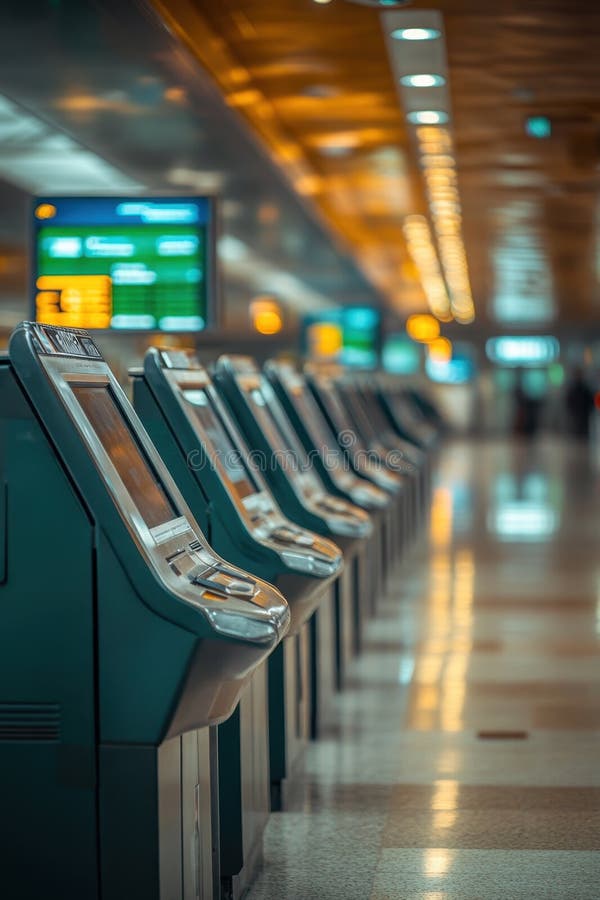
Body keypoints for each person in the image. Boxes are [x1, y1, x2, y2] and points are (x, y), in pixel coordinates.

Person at [565, 367, 595, 440]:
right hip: (576, 414)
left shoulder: (586, 388)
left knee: (583, 434)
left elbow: (591, 401)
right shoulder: (573, 389)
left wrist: (588, 410)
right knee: (576, 433)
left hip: (583, 415)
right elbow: (568, 401)